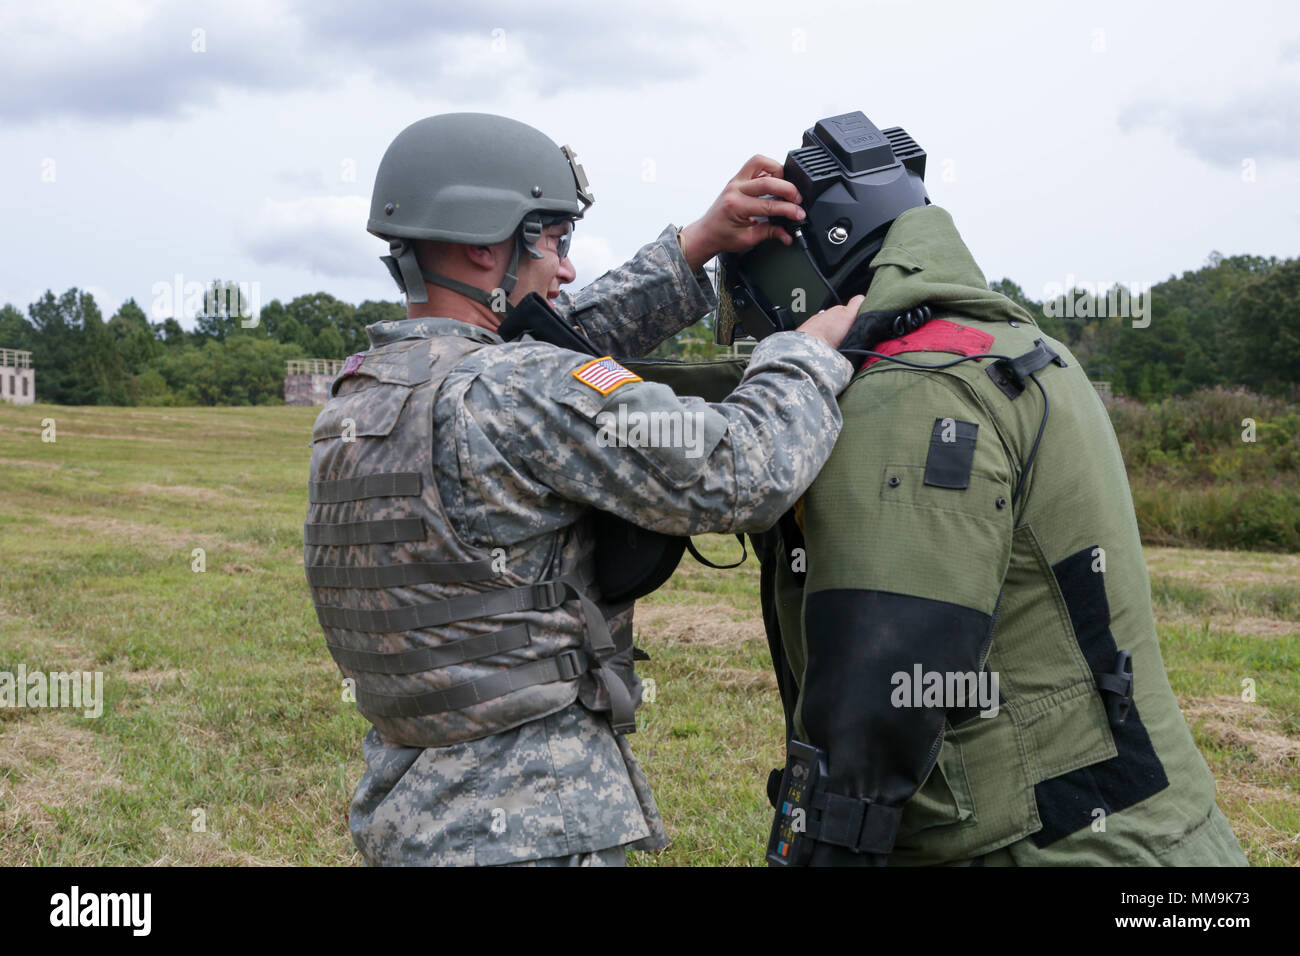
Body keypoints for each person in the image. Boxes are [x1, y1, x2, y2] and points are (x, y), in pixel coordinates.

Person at [303, 112, 861, 866]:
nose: (564, 269)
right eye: (554, 241)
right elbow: (741, 471)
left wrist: (694, 245)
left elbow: (542, 346)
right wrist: (803, 357)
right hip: (535, 824)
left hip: (412, 815)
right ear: (482, 241)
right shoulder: (517, 395)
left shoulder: (359, 399)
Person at [721, 110, 1248, 866]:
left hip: (1041, 846)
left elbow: (884, 695)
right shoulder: (1015, 348)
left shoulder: (911, 392)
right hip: (1148, 831)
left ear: (822, 257)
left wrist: (826, 847)